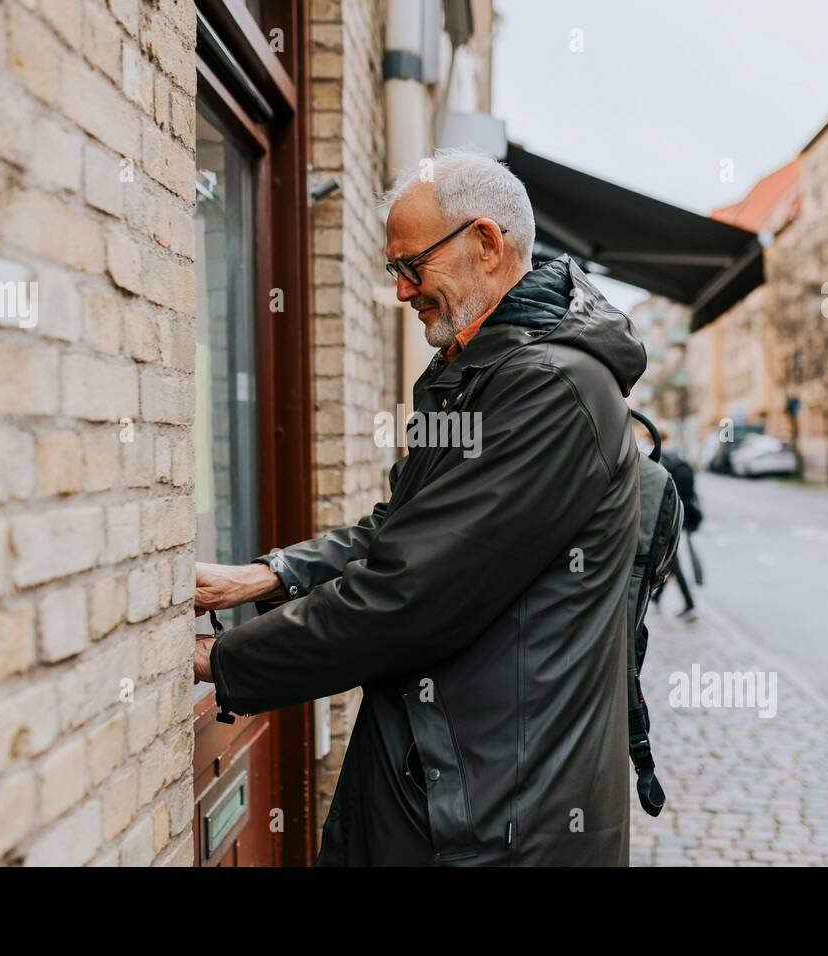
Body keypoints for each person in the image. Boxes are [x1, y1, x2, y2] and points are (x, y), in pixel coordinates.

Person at [193, 149, 648, 865]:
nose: (403, 293)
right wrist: (267, 575)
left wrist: (220, 660)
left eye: (411, 267)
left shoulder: (547, 391)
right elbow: (401, 529)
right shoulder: (472, 373)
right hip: (451, 781)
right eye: (394, 273)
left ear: (487, 245)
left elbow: (414, 591)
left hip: (499, 817)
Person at [654, 426, 703, 621]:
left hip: (668, 516)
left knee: (672, 561)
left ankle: (690, 603)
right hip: (682, 513)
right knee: (670, 557)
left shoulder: (661, 456)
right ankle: (657, 597)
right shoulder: (677, 455)